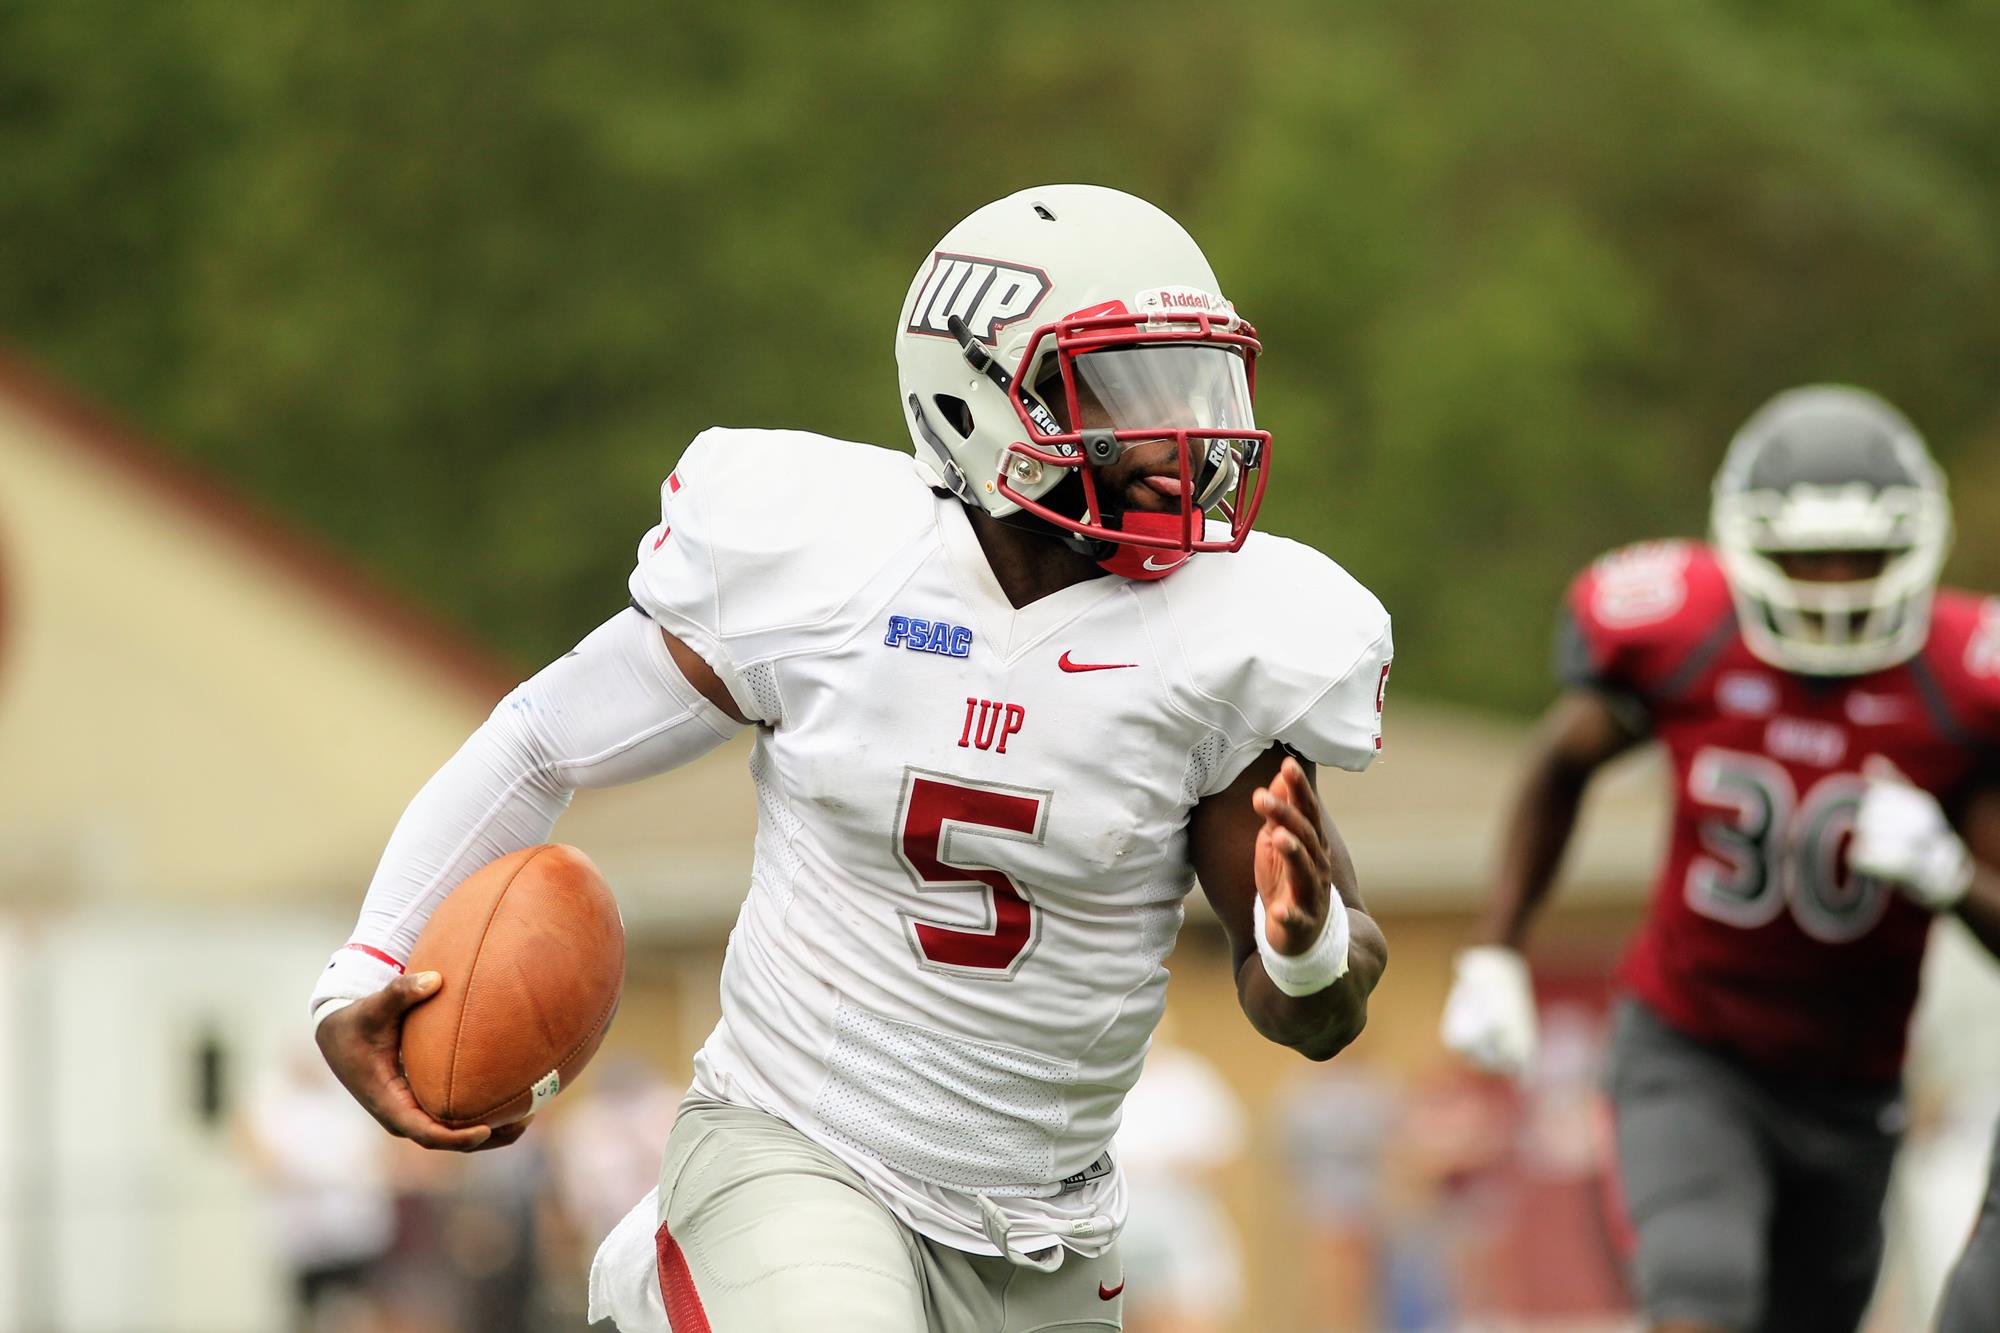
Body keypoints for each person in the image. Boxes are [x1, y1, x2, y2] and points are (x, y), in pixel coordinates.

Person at [309, 183, 1394, 1333]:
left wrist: (1306, 940)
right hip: (799, 1152)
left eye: (1195, 379)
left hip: (1043, 1231)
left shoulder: (1227, 637)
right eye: (1126, 390)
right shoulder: (836, 568)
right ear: (984, 395)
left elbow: (1310, 1010)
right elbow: (540, 740)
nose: (1183, 439)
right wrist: (363, 965)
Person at [1439, 384, 2000, 1333]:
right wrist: (1497, 947)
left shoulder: (1958, 687)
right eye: (1803, 558)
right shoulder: (1688, 636)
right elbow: (1560, 759)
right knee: (1702, 1294)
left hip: (1855, 1084)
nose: (1831, 583)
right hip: (1695, 1050)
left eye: (1857, 556)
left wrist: (1949, 873)